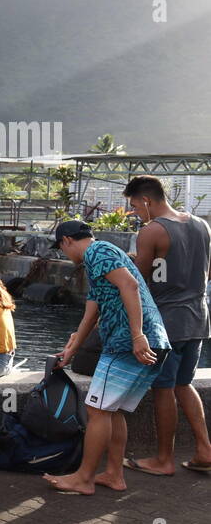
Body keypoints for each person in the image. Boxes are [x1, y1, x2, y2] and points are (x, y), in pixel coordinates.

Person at [45, 220, 170, 495]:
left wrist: (137, 335)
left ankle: (84, 478)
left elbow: (130, 286)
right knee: (111, 410)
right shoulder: (99, 258)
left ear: (66, 240)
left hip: (128, 342)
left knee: (97, 410)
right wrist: (73, 348)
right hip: (148, 340)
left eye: (62, 248)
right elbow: (93, 311)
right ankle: (114, 474)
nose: (64, 254)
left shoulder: (97, 252)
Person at [122, 175, 211, 476]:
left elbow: (138, 281)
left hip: (167, 322)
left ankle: (163, 460)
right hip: (198, 318)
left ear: (146, 201)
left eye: (134, 207)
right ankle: (204, 449)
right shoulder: (202, 225)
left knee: (163, 388)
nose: (135, 213)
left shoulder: (151, 231)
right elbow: (206, 274)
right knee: (184, 384)